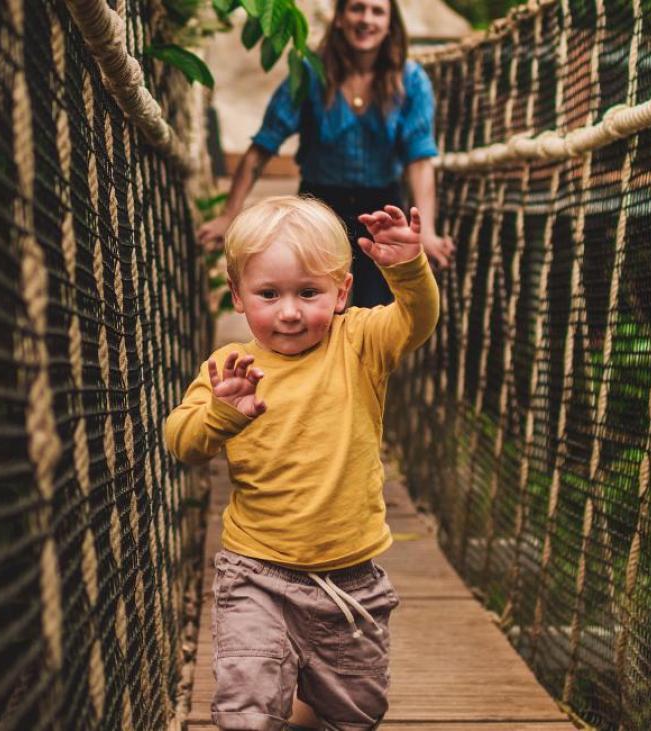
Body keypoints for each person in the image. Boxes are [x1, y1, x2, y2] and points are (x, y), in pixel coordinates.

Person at [166, 196, 438, 729]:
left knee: (353, 711)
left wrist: (408, 267)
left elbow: (417, 320)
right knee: (246, 705)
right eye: (269, 294)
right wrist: (222, 414)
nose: (289, 311)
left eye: (308, 293)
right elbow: (181, 441)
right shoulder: (229, 368)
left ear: (341, 292)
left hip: (349, 576)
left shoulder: (358, 342)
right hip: (255, 571)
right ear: (238, 298)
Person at [197, 0, 454, 307]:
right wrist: (228, 215)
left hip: (382, 211)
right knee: (317, 308)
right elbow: (262, 148)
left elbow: (420, 160)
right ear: (341, 18)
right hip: (318, 208)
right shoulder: (311, 74)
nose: (366, 19)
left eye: (377, 11)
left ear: (390, 24)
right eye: (356, 8)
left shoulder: (410, 81)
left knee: (378, 313)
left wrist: (427, 232)